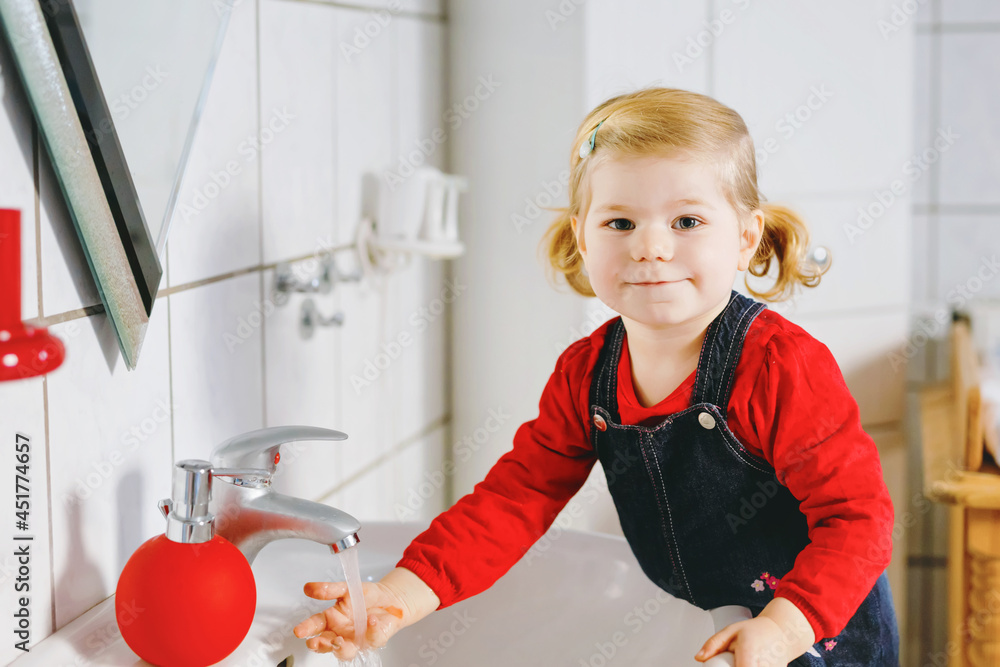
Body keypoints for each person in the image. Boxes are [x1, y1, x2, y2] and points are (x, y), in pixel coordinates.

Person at [293, 87, 900, 666]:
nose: (651, 248)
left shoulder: (779, 366)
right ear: (581, 237)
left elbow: (858, 518)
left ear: (745, 237)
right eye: (620, 224)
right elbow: (515, 500)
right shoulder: (587, 373)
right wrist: (400, 594)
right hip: (712, 623)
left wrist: (784, 626)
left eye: (687, 221)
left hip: (819, 630)